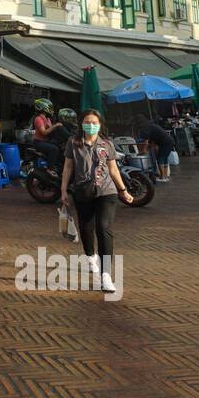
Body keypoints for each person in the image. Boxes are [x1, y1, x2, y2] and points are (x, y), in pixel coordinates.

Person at [61, 110, 134, 293]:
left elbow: (113, 169)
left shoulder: (106, 144)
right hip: (83, 191)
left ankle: (106, 275)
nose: (91, 125)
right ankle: (90, 255)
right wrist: (63, 190)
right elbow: (68, 166)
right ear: (81, 124)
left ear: (100, 124)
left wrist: (123, 190)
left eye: (94, 122)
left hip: (106, 191)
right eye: (87, 121)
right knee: (86, 227)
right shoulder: (73, 142)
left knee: (103, 228)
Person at [30, 98, 69, 170]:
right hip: (39, 142)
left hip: (46, 141)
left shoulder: (47, 119)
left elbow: (51, 130)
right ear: (43, 107)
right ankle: (50, 169)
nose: (51, 109)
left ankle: (58, 167)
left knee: (61, 148)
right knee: (54, 149)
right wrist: (56, 125)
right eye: (50, 107)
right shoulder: (38, 119)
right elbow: (44, 132)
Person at [136, 116, 175, 183]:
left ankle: (162, 177)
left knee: (160, 158)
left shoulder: (148, 127)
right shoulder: (152, 125)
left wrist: (144, 150)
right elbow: (152, 143)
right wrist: (148, 148)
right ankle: (166, 176)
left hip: (164, 143)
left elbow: (146, 140)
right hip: (170, 141)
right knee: (164, 158)